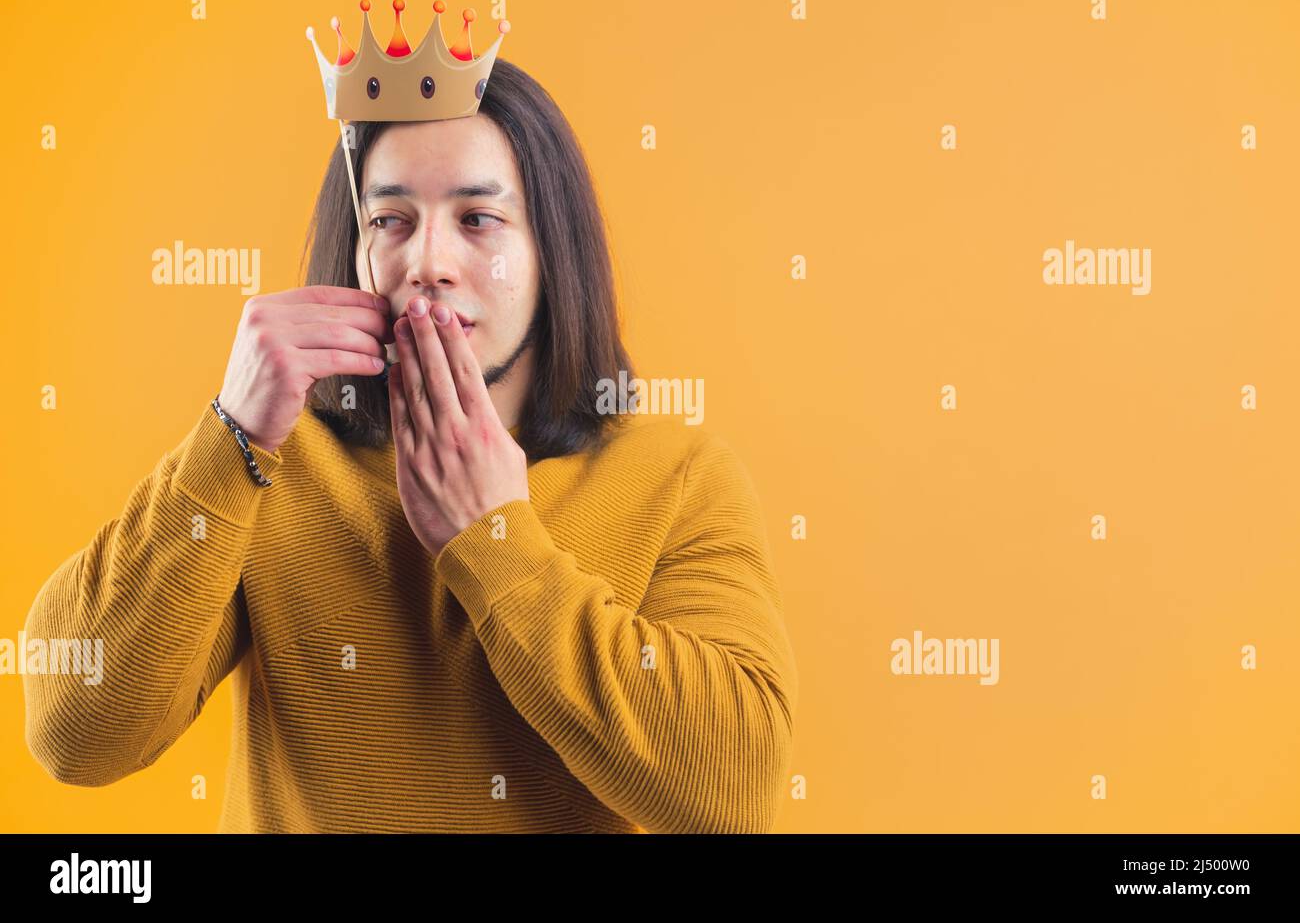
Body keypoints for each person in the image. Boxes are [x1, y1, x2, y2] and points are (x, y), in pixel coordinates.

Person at [23, 59, 799, 833]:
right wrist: (231, 437)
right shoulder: (271, 464)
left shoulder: (678, 476)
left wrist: (496, 540)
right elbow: (75, 735)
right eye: (390, 220)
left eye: (477, 220)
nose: (428, 264)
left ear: (550, 253)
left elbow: (736, 796)